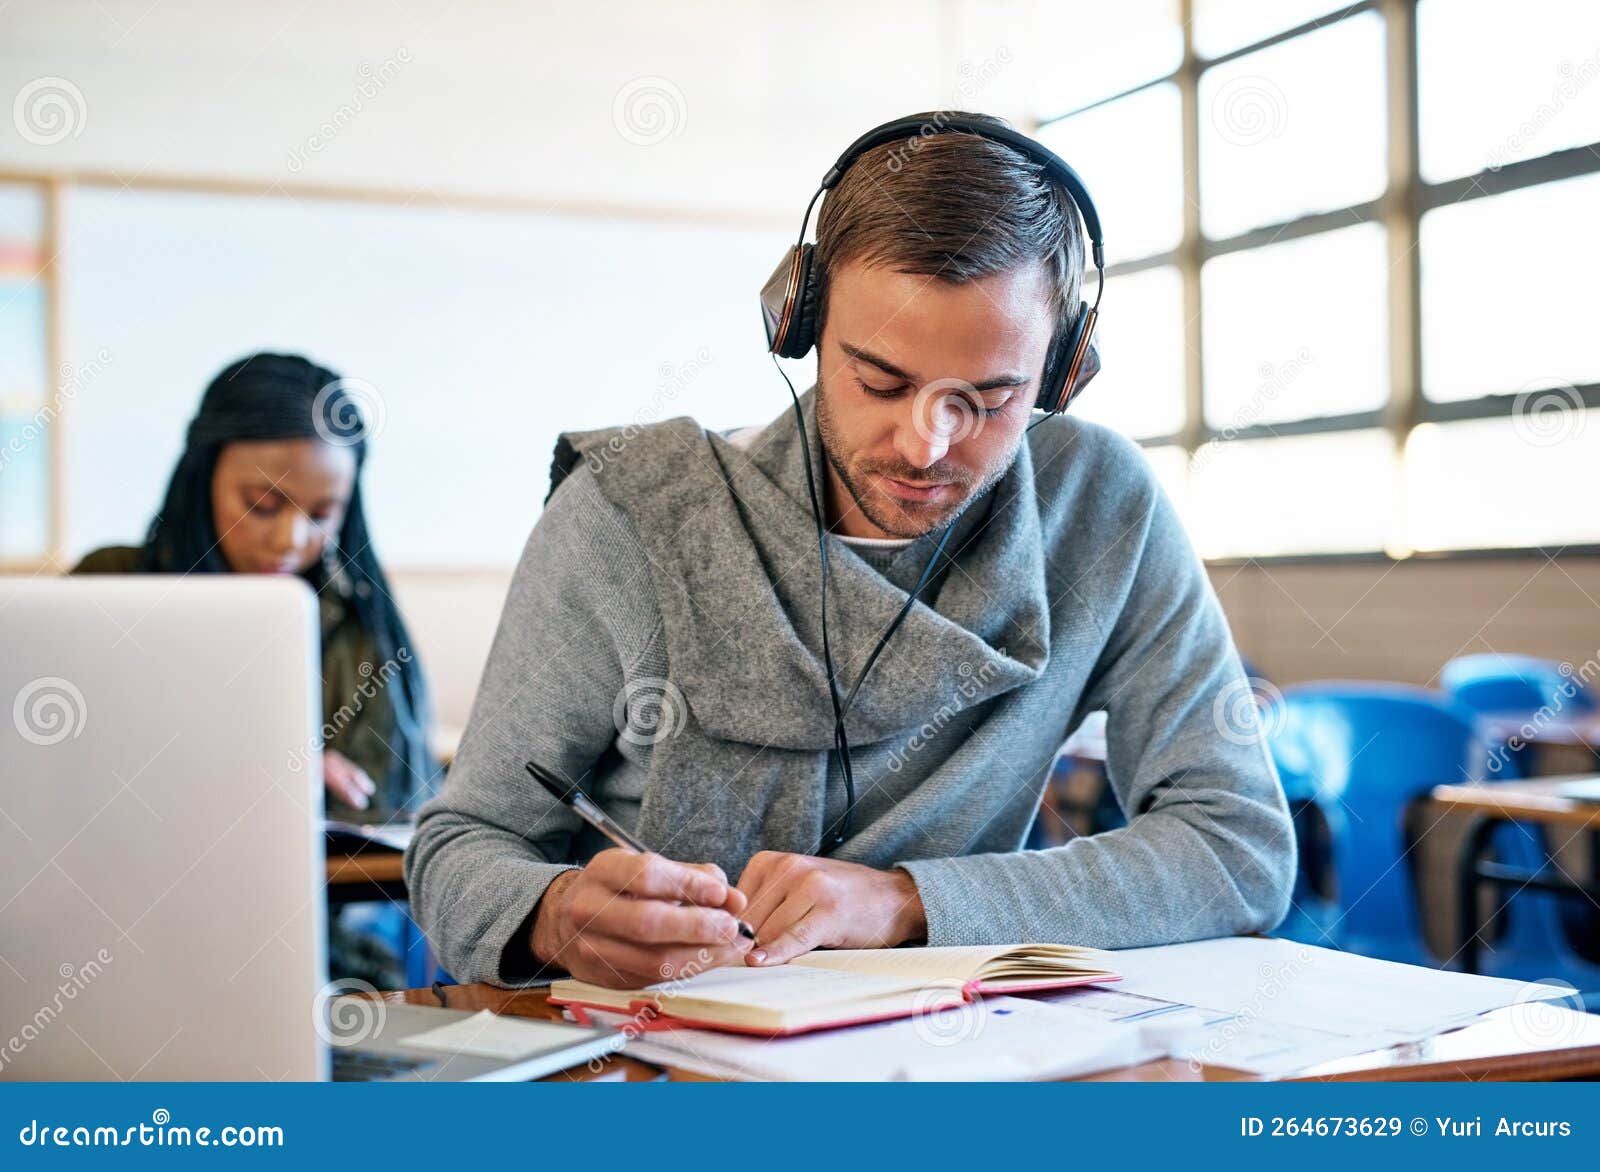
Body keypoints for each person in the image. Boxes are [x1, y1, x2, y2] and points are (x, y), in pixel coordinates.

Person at [407, 113, 1294, 990]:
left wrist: (909, 902)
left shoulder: (1096, 509)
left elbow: (1236, 845)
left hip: (956, 1062)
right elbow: (458, 848)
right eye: (880, 381)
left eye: (989, 399)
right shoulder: (629, 513)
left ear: (1063, 371)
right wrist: (557, 915)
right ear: (799, 324)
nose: (925, 444)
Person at [73, 352, 438, 986]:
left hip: (310, 951)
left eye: (323, 513)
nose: (290, 540)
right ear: (201, 476)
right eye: (262, 505)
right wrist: (248, 766)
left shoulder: (353, 625)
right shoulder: (109, 588)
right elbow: (50, 770)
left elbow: (380, 823)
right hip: (105, 934)